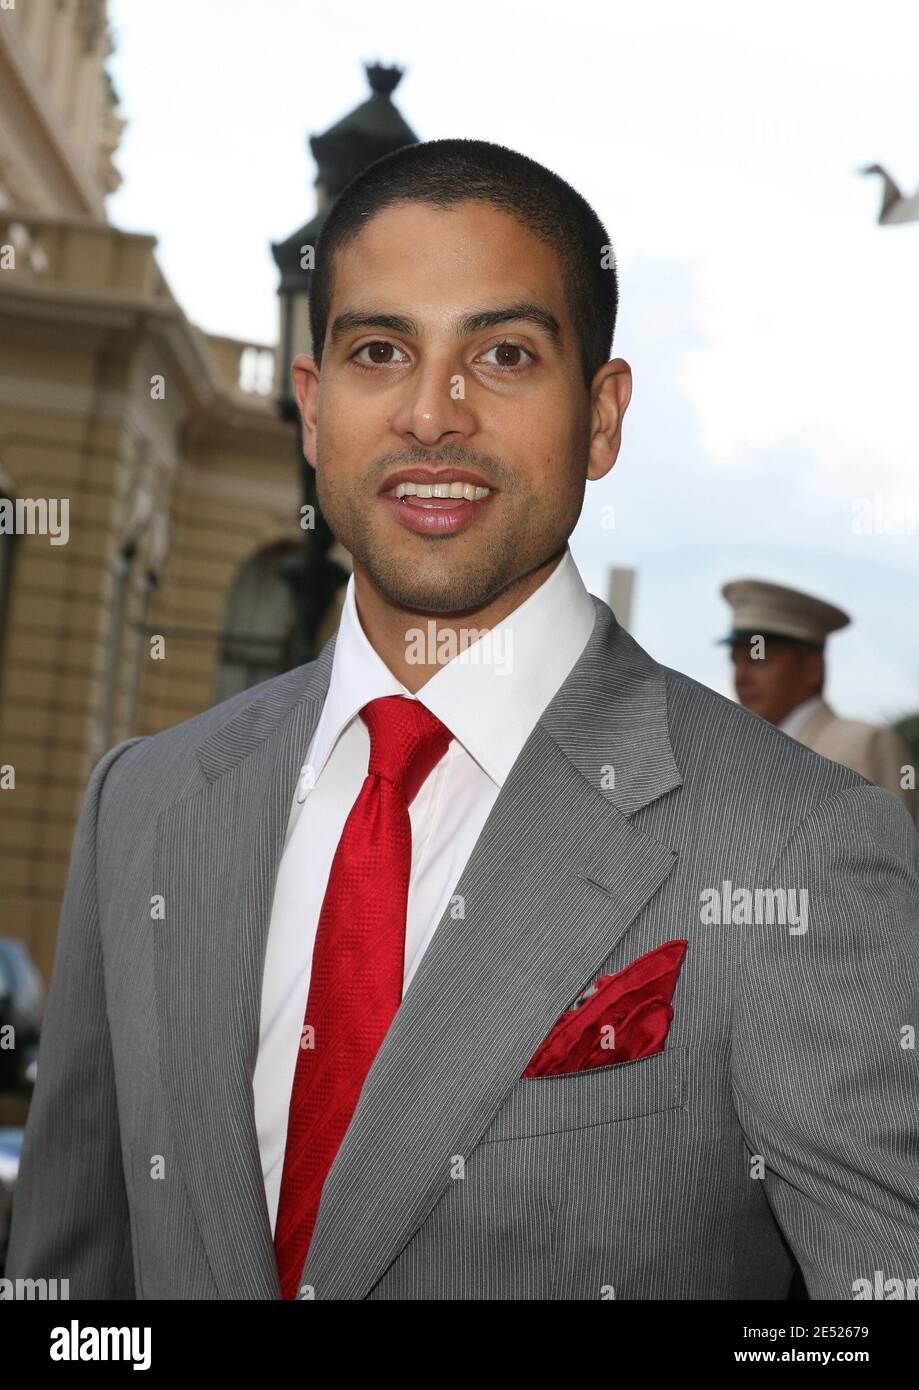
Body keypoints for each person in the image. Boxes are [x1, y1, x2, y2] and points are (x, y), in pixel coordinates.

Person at [7, 139, 919, 1301]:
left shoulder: (798, 844)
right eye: (380, 351)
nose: (433, 415)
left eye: (502, 353)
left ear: (600, 416)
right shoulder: (139, 805)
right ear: (311, 406)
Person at [722, 577, 918, 822]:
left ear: (813, 667)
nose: (741, 677)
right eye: (735, 662)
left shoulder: (866, 746)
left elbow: (895, 855)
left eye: (758, 660)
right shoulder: (736, 757)